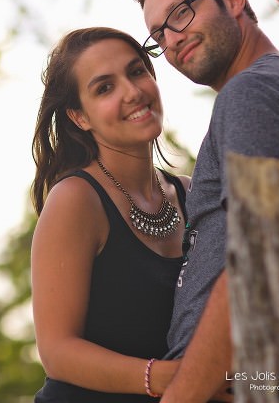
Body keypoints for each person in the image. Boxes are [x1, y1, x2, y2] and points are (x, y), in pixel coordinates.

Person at [133, 0, 279, 402]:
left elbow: (258, 255)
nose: (172, 40)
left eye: (181, 12)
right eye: (159, 34)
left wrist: (184, 395)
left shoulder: (252, 91)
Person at [30, 26, 190, 402]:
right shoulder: (75, 199)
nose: (133, 92)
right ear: (79, 117)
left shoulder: (192, 192)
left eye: (137, 71)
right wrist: (167, 378)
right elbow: (57, 353)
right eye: (104, 88)